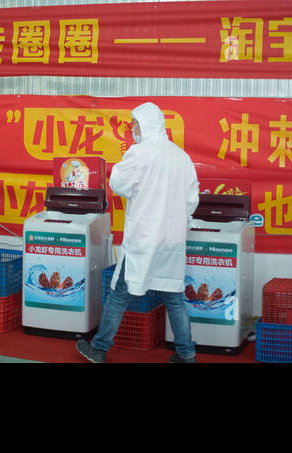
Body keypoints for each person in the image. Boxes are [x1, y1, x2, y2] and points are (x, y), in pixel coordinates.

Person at [77, 102, 200, 363]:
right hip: (172, 241)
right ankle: (187, 355)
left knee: (121, 295)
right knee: (174, 297)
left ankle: (98, 349)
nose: (132, 129)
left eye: (134, 124)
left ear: (145, 125)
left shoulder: (139, 153)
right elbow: (192, 201)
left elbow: (118, 184)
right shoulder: (182, 157)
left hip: (144, 240)